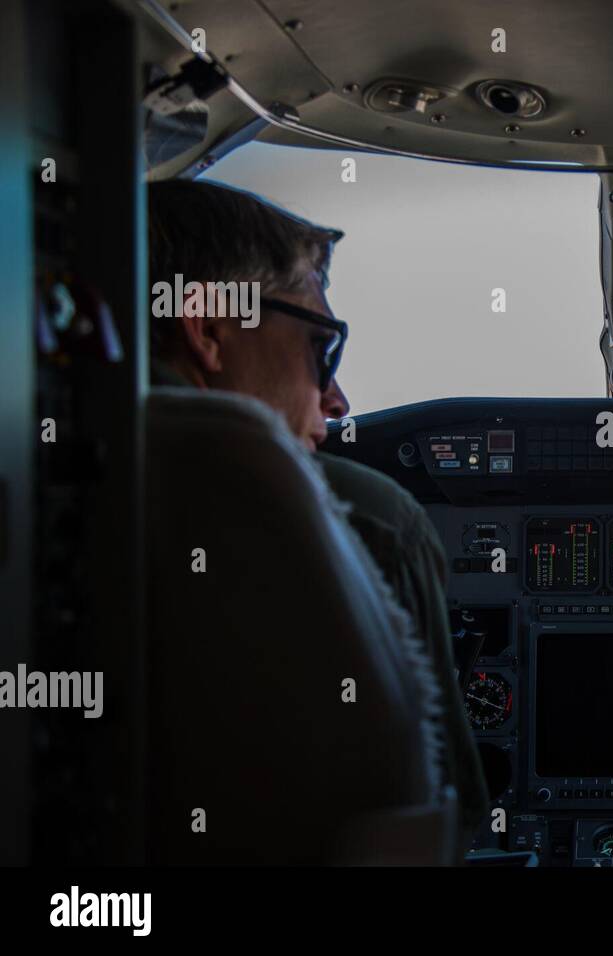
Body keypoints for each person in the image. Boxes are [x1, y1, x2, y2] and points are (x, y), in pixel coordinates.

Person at [146, 179, 488, 848]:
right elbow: (446, 833)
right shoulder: (367, 518)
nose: (336, 398)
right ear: (209, 327)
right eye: (320, 349)